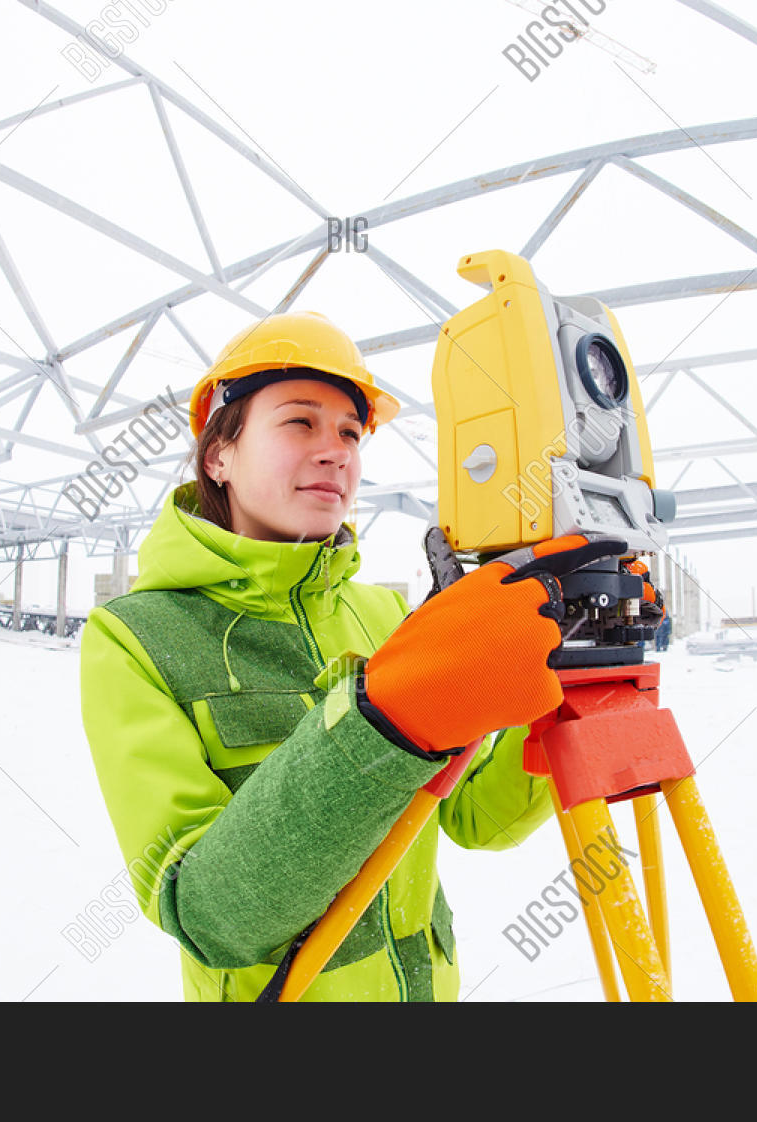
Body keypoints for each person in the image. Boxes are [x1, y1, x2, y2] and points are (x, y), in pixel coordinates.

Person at [79, 311, 614, 1002]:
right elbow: (208, 912)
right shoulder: (135, 638)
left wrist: (561, 685)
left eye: (350, 433)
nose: (335, 451)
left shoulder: (387, 616)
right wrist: (378, 726)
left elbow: (478, 814)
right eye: (300, 422)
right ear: (220, 455)